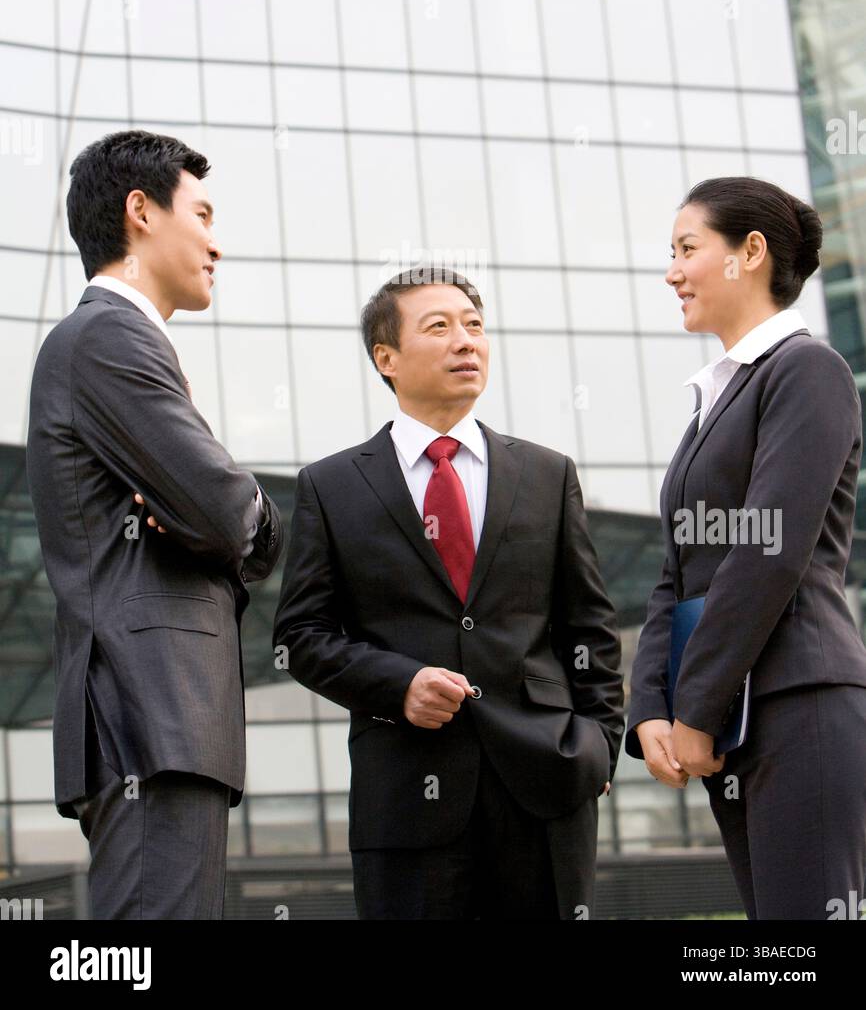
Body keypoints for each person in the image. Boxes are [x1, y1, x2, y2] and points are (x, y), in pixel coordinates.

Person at [273, 266, 623, 919]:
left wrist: (600, 742)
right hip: (406, 796)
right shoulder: (331, 486)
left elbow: (590, 627)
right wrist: (397, 684)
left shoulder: (547, 475)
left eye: (475, 326)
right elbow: (300, 637)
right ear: (387, 358)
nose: (467, 341)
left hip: (546, 786)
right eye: (440, 327)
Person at [26, 129, 283, 919]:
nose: (216, 242)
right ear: (141, 212)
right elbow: (228, 512)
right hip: (149, 715)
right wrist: (257, 521)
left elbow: (204, 512)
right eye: (201, 214)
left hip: (163, 721)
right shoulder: (108, 336)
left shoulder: (125, 342)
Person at [625, 175, 866, 920]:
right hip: (736, 721)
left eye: (687, 248)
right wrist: (651, 709)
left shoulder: (807, 369)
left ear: (750, 253)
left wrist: (695, 707)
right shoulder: (713, 402)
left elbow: (770, 552)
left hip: (800, 700)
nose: (671, 271)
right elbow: (676, 572)